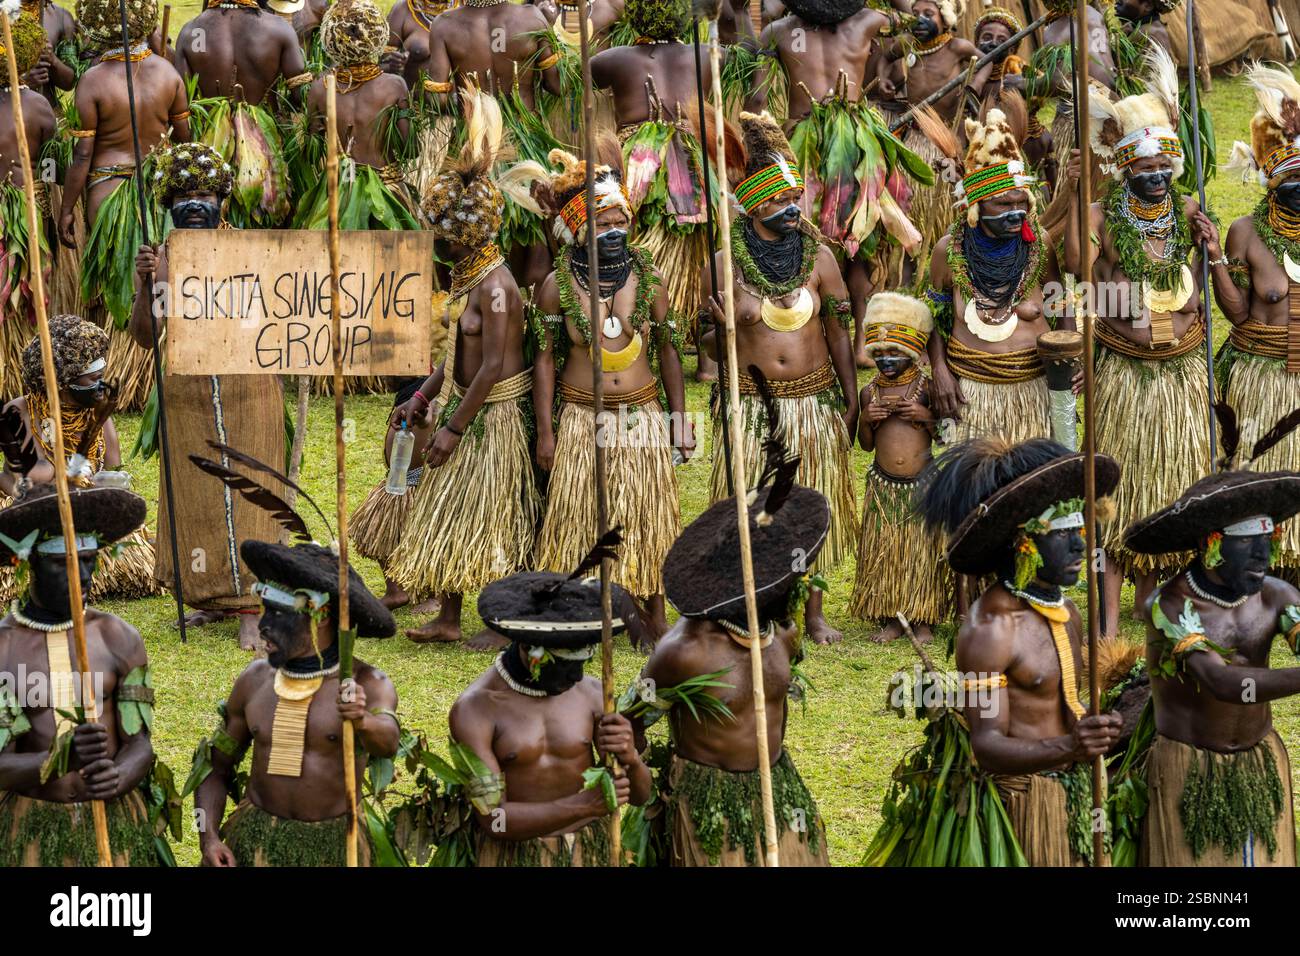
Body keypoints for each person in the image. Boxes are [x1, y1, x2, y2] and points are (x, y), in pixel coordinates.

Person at [1066, 42, 1219, 637]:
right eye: (1143, 168)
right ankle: (1105, 620)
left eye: (1163, 167)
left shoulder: (1186, 210)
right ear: (1125, 167)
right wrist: (1077, 199)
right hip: (1125, 375)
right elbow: (1080, 273)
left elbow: (1198, 295)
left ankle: (1155, 600)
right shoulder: (1102, 219)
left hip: (1179, 374)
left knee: (1167, 489)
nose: (1155, 176)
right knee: (1117, 498)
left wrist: (1208, 254)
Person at [918, 437, 1125, 865]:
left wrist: (1098, 724)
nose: (1080, 547)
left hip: (1070, 792)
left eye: (1081, 531)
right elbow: (988, 745)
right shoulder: (990, 629)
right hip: (1021, 807)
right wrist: (1071, 746)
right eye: (1063, 535)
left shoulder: (1067, 610)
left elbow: (1059, 702)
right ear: (1023, 542)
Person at [639, 409, 831, 866]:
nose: (797, 590)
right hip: (708, 802)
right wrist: (647, 786)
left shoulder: (782, 633)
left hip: (777, 787)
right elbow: (630, 719)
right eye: (786, 583)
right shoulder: (684, 653)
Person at [387, 88, 540, 648]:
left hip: (492, 416)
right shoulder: (468, 280)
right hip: (460, 403)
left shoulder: (498, 289)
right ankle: (450, 618)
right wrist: (424, 398)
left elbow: (495, 365)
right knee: (451, 512)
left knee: (494, 515)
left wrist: (453, 427)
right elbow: (455, 359)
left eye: (444, 242)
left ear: (467, 236)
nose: (439, 251)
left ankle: (502, 622)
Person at [700, 110, 858, 645]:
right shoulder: (723, 263)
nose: (792, 209)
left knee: (811, 504)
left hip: (813, 401)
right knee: (755, 508)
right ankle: (760, 604)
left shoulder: (821, 259)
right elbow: (703, 345)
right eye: (779, 201)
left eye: (796, 199)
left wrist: (851, 397)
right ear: (753, 206)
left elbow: (839, 332)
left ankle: (812, 612)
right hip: (750, 405)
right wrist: (716, 332)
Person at [523, 150, 691, 647]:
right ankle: (585, 609)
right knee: (583, 516)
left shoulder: (652, 278)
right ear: (578, 227)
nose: (616, 228)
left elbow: (668, 351)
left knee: (645, 513)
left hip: (641, 414)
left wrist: (679, 421)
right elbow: (546, 360)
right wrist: (547, 432)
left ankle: (653, 611)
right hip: (580, 416)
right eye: (604, 220)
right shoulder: (556, 287)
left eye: (621, 218)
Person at [130, 142, 285, 650]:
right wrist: (145, 284)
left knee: (248, 490)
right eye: (182, 195)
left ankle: (250, 605)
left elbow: (279, 319)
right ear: (167, 201)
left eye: (204, 194)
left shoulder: (248, 251)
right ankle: (207, 596)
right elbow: (144, 335)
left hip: (247, 387)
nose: (194, 204)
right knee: (197, 492)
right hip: (187, 392)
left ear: (222, 199)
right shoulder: (161, 256)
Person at [1123, 464, 1300, 866]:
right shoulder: (1169, 607)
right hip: (1190, 769)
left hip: (1260, 760)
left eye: (1267, 541)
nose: (1264, 556)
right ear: (1213, 545)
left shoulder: (1277, 597)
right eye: (1249, 544)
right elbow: (1222, 682)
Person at [190, 537, 399, 867]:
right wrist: (210, 838)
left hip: (335, 845)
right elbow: (215, 767)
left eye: (280, 614)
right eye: (265, 611)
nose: (263, 627)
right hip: (255, 839)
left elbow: (388, 742)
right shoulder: (254, 680)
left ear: (322, 617)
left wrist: (363, 721)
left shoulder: (367, 683)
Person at [747, 0, 930, 365]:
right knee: (857, 241)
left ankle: (813, 335)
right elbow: (921, 24)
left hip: (816, 144)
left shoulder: (777, 31)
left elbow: (757, 100)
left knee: (812, 236)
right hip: (844, 144)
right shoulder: (871, 20)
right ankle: (856, 340)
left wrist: (761, 151)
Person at [0, 479, 170, 866]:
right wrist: (59, 759)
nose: (83, 576)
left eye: (90, 560)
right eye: (64, 564)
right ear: (29, 563)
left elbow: (140, 743)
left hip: (115, 822)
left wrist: (121, 776)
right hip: (32, 825)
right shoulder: (4, 649)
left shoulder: (119, 638)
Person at [448, 558, 652, 866]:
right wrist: (583, 806)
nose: (576, 677)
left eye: (582, 664)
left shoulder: (594, 694)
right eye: (566, 666)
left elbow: (639, 796)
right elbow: (494, 820)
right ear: (531, 655)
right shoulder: (475, 711)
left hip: (588, 851)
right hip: (514, 857)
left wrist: (632, 759)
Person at [61, 0, 190, 413]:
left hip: (106, 185)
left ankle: (119, 371)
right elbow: (187, 142)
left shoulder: (92, 81)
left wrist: (66, 209)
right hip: (156, 185)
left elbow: (82, 158)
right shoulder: (168, 74)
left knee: (116, 279)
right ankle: (147, 368)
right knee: (154, 268)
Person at [592, 0, 718, 380]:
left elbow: (575, 69)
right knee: (701, 254)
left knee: (638, 252)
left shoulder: (614, 58)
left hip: (638, 167)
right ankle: (708, 360)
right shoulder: (710, 55)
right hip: (692, 163)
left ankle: (645, 340)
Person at [926, 100, 1064, 447]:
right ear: (977, 205)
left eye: (1022, 202)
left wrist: (1070, 358)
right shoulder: (948, 250)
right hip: (973, 393)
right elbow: (936, 317)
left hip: (1032, 391)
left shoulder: (1039, 243)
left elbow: (1060, 304)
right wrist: (940, 372)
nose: (1016, 212)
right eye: (1003, 204)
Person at [0, 316, 157, 601]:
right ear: (62, 382)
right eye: (94, 379)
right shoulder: (20, 412)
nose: (102, 385)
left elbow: (112, 465)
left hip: (82, 501)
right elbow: (33, 475)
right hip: (27, 502)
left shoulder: (97, 411)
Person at [1214, 64, 1300, 578]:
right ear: (1270, 182)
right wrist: (1215, 261)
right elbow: (1238, 312)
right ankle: (1257, 565)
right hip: (1259, 372)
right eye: (1292, 179)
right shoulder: (1244, 232)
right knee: (1261, 469)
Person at [420, 0, 564, 288]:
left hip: (470, 145)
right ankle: (535, 310)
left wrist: (461, 96)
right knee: (533, 222)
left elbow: (438, 102)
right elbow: (557, 85)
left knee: (467, 221)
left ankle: (477, 298)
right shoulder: (531, 16)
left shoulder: (445, 25)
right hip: (526, 141)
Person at [850, 292, 947, 645]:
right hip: (884, 487)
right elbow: (865, 445)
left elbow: (945, 435)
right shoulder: (869, 392)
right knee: (889, 552)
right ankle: (893, 617)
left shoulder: (926, 388)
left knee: (921, 553)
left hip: (923, 485)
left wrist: (926, 417)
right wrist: (867, 420)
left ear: (914, 352)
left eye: (896, 353)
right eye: (880, 354)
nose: (887, 360)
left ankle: (924, 619)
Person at [173, 0, 307, 227]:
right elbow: (300, 96)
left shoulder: (191, 31)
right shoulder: (278, 28)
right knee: (269, 226)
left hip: (210, 149)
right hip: (267, 146)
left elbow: (181, 103)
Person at [291, 0, 420, 231]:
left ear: (330, 40)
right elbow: (411, 150)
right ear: (378, 36)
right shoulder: (394, 86)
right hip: (387, 196)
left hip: (335, 194)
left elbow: (311, 154)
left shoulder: (320, 87)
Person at [876, 0, 978, 288]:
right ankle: (909, 276)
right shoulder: (908, 44)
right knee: (911, 207)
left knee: (947, 208)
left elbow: (986, 60)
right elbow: (885, 58)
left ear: (944, 20)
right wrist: (885, 79)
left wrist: (973, 86)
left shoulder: (957, 47)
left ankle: (948, 270)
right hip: (915, 140)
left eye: (928, 14)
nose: (919, 19)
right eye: (916, 14)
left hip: (945, 141)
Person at [0, 11, 55, 400]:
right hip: (28, 204)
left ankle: (12, 371)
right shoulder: (37, 105)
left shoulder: (32, 104)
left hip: (24, 213)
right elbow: (53, 162)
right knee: (22, 296)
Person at [348, 380, 438, 611]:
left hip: (417, 481)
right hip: (399, 480)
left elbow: (428, 418)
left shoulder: (428, 393)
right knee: (374, 527)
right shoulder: (408, 390)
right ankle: (396, 590)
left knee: (428, 534)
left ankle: (434, 594)